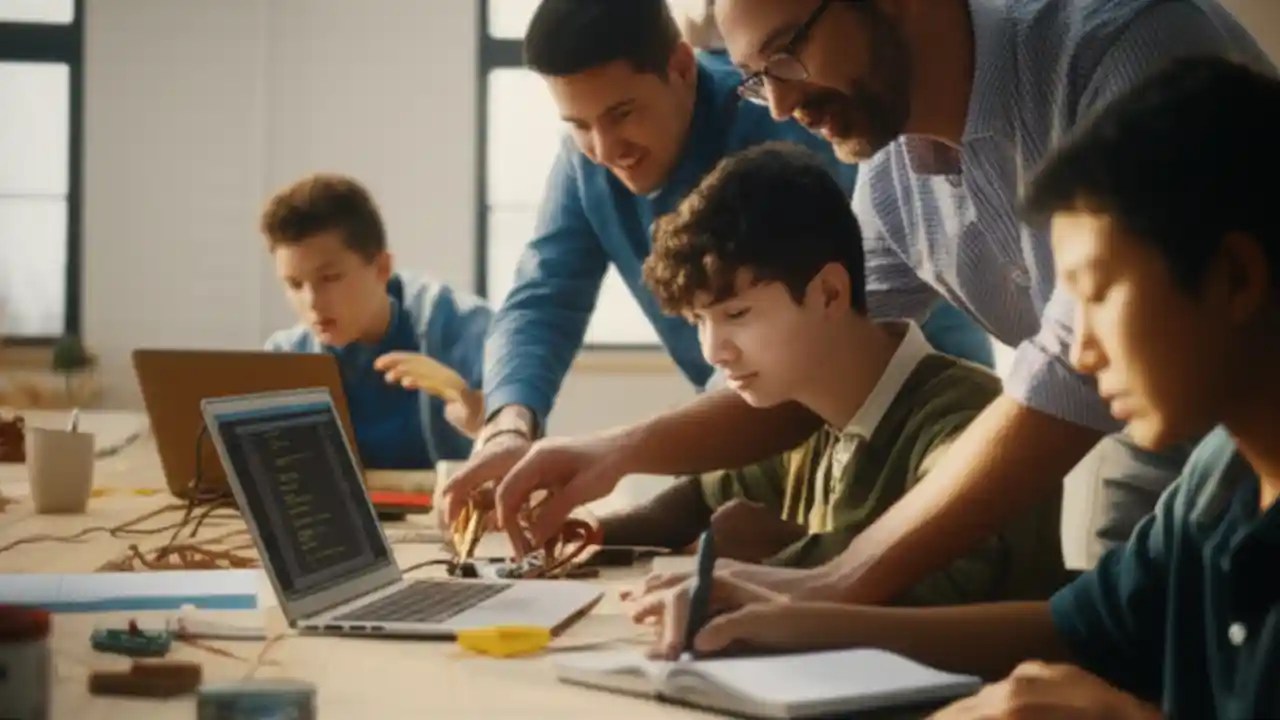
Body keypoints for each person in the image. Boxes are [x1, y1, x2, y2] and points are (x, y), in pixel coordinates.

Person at [445, 0, 1272, 615]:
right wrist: (612, 453)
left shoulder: (1119, 44)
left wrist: (843, 577)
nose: (776, 104)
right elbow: (809, 365)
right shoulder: (890, 181)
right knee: (1132, 649)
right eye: (758, 78)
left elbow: (1066, 369)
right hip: (1169, 457)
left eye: (786, 56)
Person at [641, 57, 1280, 719]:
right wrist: (801, 621)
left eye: (1096, 295)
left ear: (1234, 278)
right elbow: (1069, 629)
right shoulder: (1216, 482)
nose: (1081, 351)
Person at [468, 0, 994, 478]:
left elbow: (826, 346)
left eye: (622, 114)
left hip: (916, 418)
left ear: (680, 66)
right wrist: (508, 424)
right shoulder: (586, 168)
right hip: (758, 428)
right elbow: (541, 301)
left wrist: (622, 451)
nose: (606, 150)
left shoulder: (804, 123)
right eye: (579, 125)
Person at [599, 142, 1064, 604]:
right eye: (700, 321)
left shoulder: (965, 419)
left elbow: (946, 581)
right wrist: (588, 532)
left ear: (828, 293)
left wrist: (785, 550)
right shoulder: (803, 411)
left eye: (737, 314)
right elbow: (703, 501)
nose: (714, 351)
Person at [261, 173, 491, 468]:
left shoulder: (466, 330)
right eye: (294, 284)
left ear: (382, 267)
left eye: (329, 278)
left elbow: (524, 451)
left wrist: (481, 417)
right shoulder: (285, 357)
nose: (312, 303)